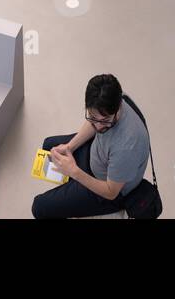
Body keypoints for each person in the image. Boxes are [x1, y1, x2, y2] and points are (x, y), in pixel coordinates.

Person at [30, 74, 150, 219]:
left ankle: (69, 191)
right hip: (98, 154)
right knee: (48, 146)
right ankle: (67, 188)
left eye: (105, 120)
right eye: (93, 117)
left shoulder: (127, 146)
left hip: (107, 190)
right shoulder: (112, 99)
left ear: (119, 107)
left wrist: (74, 172)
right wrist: (70, 147)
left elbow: (111, 192)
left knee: (39, 207)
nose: (98, 127)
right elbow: (97, 121)